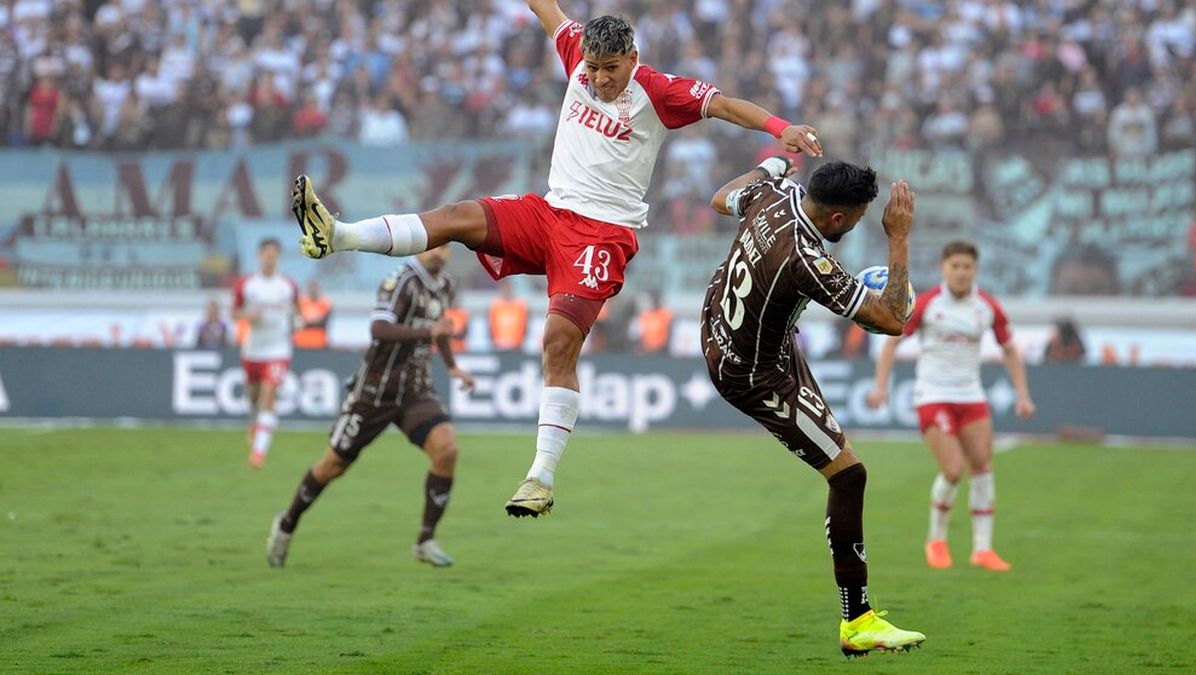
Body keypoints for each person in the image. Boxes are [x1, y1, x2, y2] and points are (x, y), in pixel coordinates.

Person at [291, 1, 823, 517]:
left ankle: (540, 478)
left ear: (632, 58)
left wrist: (781, 128)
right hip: (548, 213)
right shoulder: (575, 52)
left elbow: (725, 105)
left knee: (558, 342)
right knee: (456, 216)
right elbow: (545, 9)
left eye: (610, 68)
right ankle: (337, 235)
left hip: (601, 235)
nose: (599, 78)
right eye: (592, 67)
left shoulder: (657, 91)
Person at [701, 157, 925, 657]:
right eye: (860, 218)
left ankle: (859, 620)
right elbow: (892, 320)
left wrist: (774, 161)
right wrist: (898, 237)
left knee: (846, 467)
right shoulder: (805, 261)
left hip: (721, 328)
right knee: (849, 477)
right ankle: (857, 622)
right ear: (837, 218)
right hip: (753, 374)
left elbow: (719, 198)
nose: (861, 224)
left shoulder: (774, 193)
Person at [265, 245, 476, 568]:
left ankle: (425, 540)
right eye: (434, 245)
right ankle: (286, 524)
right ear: (421, 246)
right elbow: (378, 329)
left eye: (446, 246)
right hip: (374, 393)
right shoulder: (401, 281)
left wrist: (452, 367)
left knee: (447, 449)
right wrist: (428, 331)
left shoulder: (446, 285)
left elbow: (440, 330)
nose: (439, 252)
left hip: (415, 391)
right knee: (332, 465)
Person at [867, 241, 1036, 572]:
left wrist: (1022, 393)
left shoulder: (987, 306)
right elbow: (892, 341)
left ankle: (982, 549)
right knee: (954, 470)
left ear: (976, 270)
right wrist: (880, 386)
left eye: (966, 267)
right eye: (955, 266)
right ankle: (936, 540)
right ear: (944, 269)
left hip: (971, 396)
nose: (961, 273)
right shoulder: (927, 303)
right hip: (933, 395)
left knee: (983, 467)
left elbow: (1009, 348)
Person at [232, 238, 299, 469]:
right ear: (260, 255)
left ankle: (258, 453)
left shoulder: (287, 285)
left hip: (278, 349)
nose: (270, 258)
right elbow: (234, 312)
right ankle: (254, 421)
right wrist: (247, 316)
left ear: (278, 257)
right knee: (253, 396)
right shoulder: (247, 284)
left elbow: (297, 312)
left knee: (268, 396)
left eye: (274, 254)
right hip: (253, 349)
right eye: (266, 254)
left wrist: (297, 321)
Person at [488, 280, 529, 352]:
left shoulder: (520, 305)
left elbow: (525, 325)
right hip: (499, 345)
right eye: (505, 288)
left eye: (508, 287)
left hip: (516, 346)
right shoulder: (496, 305)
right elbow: (491, 326)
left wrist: (520, 341)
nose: (507, 290)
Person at [294, 279, 332, 349]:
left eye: (315, 289)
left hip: (319, 343)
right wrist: (313, 322)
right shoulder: (300, 303)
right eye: (311, 288)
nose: (313, 291)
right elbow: (297, 324)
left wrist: (307, 322)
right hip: (301, 342)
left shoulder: (325, 304)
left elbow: (323, 323)